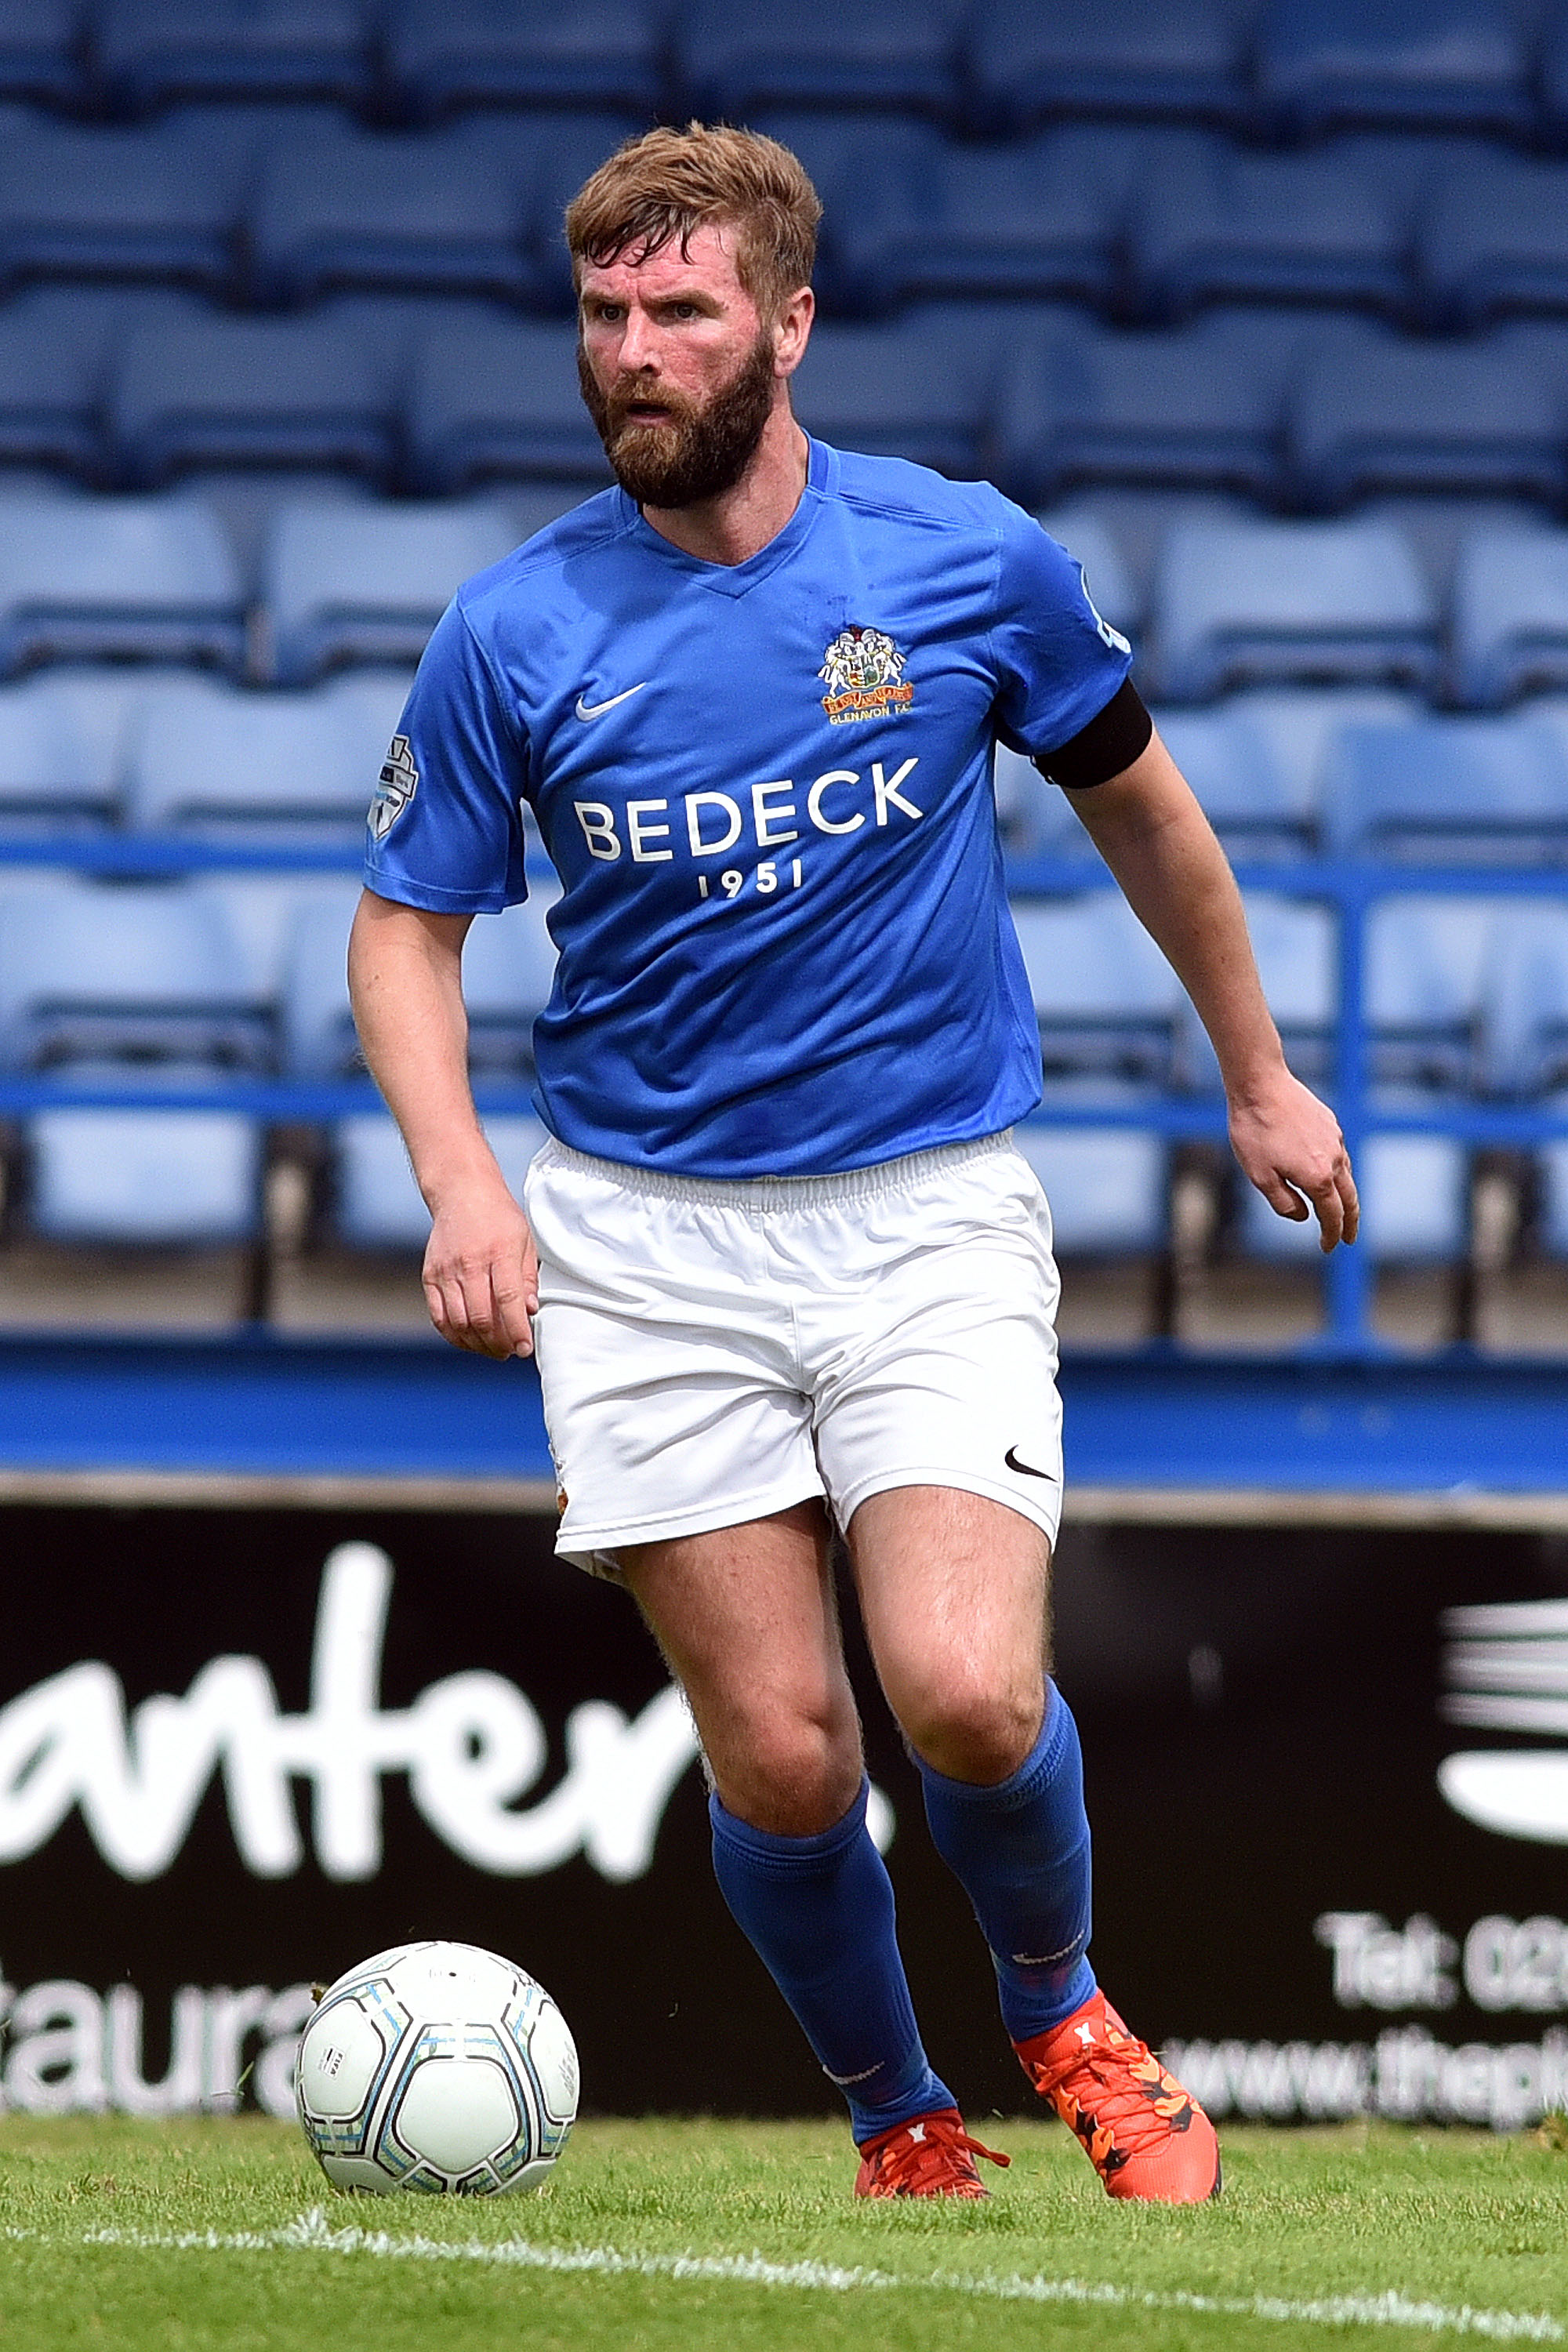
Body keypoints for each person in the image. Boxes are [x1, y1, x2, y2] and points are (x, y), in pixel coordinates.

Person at [349, 123, 1358, 2205]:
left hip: (925, 1206)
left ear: (789, 327)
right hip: (645, 1238)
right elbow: (403, 927)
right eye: (605, 316)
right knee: (792, 1751)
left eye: (679, 311)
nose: (630, 352)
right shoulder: (511, 632)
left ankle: (1064, 2012)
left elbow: (1145, 810)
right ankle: (901, 2121)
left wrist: (1259, 1075)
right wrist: (463, 1186)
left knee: (971, 1694)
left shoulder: (961, 560)